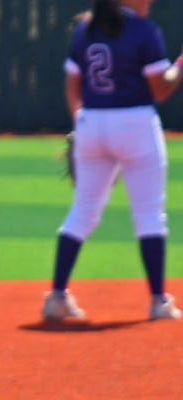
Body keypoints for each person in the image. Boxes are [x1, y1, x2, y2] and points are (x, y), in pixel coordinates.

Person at [44, 0, 183, 321]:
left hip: (92, 123)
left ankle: (56, 296)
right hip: (135, 124)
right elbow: (160, 89)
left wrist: (80, 122)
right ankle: (158, 301)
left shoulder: (85, 28)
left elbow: (72, 83)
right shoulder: (143, 30)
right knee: (149, 214)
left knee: (81, 213)